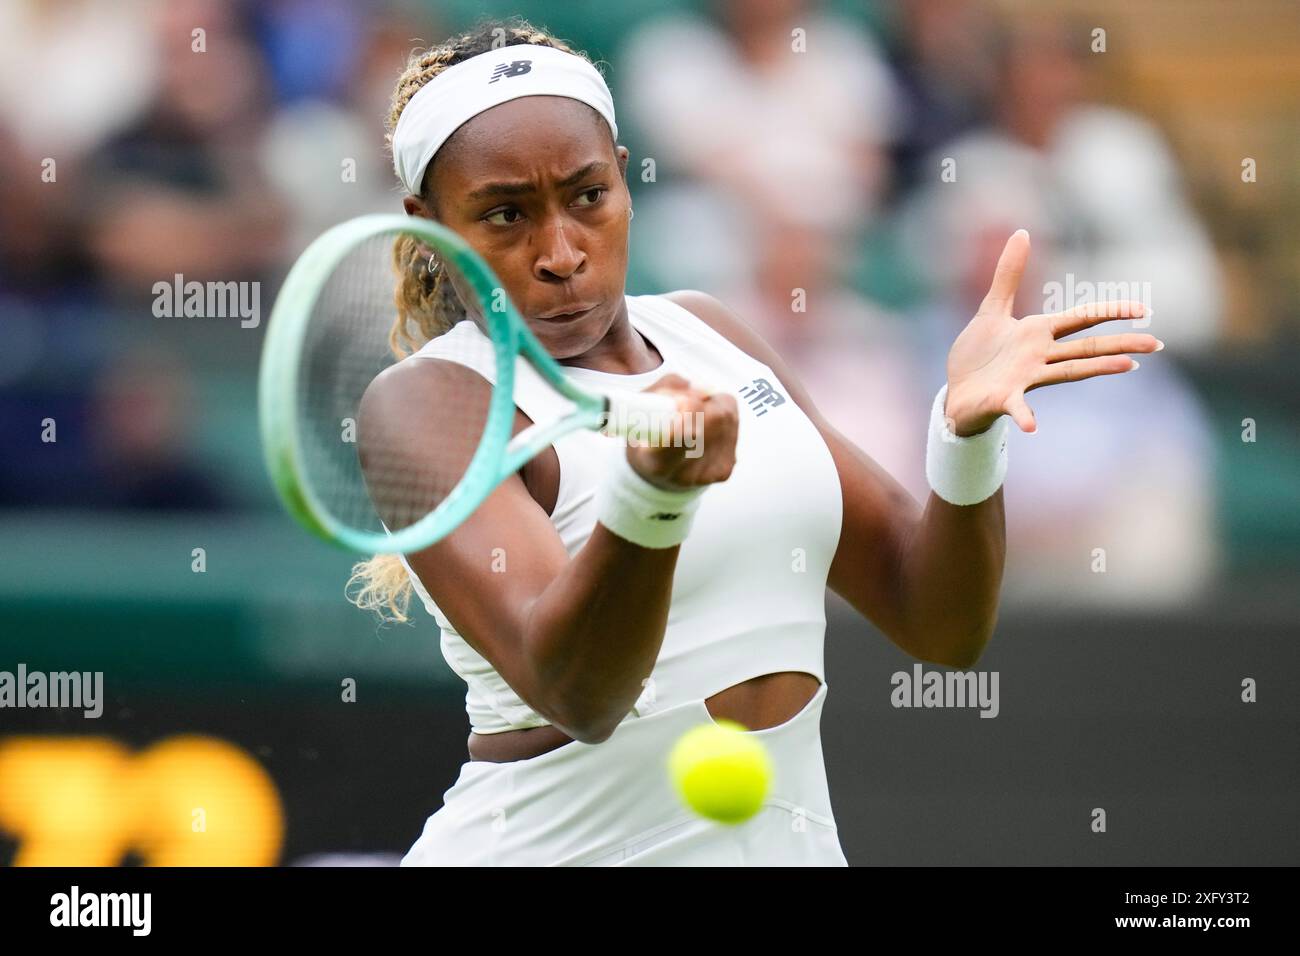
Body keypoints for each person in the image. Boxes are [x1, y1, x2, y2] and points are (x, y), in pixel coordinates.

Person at [346, 17, 1161, 866]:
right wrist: (655, 497)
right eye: (505, 214)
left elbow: (939, 624)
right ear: (430, 226)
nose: (561, 253)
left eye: (587, 197)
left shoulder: (710, 331)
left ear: (625, 181)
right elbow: (578, 693)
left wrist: (964, 435)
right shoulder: (432, 402)